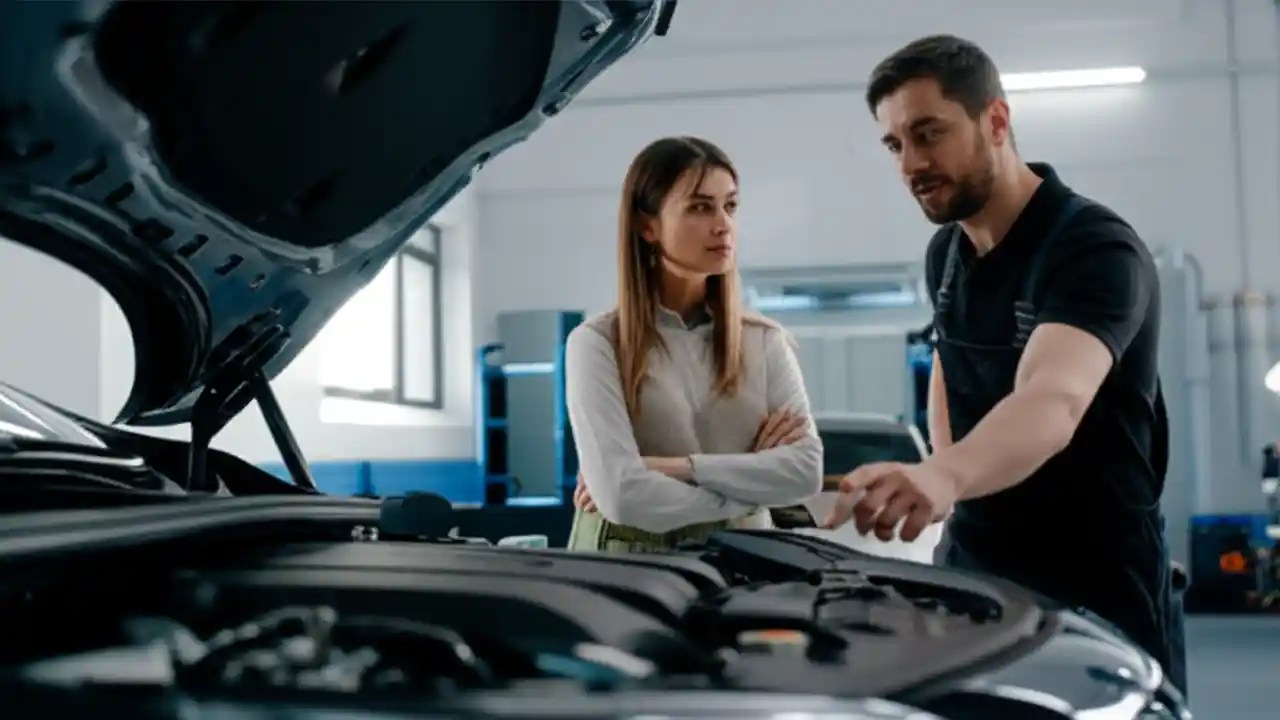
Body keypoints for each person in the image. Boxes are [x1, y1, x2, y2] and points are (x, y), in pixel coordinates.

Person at [820, 35, 1187, 693]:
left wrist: (946, 476)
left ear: (996, 121)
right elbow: (947, 363)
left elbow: (1053, 399)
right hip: (980, 560)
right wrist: (936, 474)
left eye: (929, 133)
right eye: (895, 144)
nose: (912, 163)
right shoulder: (947, 254)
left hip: (1095, 573)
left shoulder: (1092, 249)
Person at [565, 136, 823, 553]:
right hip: (625, 567)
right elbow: (621, 496)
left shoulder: (766, 341)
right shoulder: (596, 344)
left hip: (744, 562)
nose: (723, 224)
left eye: (731, 206)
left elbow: (805, 473)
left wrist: (672, 469)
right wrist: (755, 482)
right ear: (647, 227)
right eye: (700, 207)